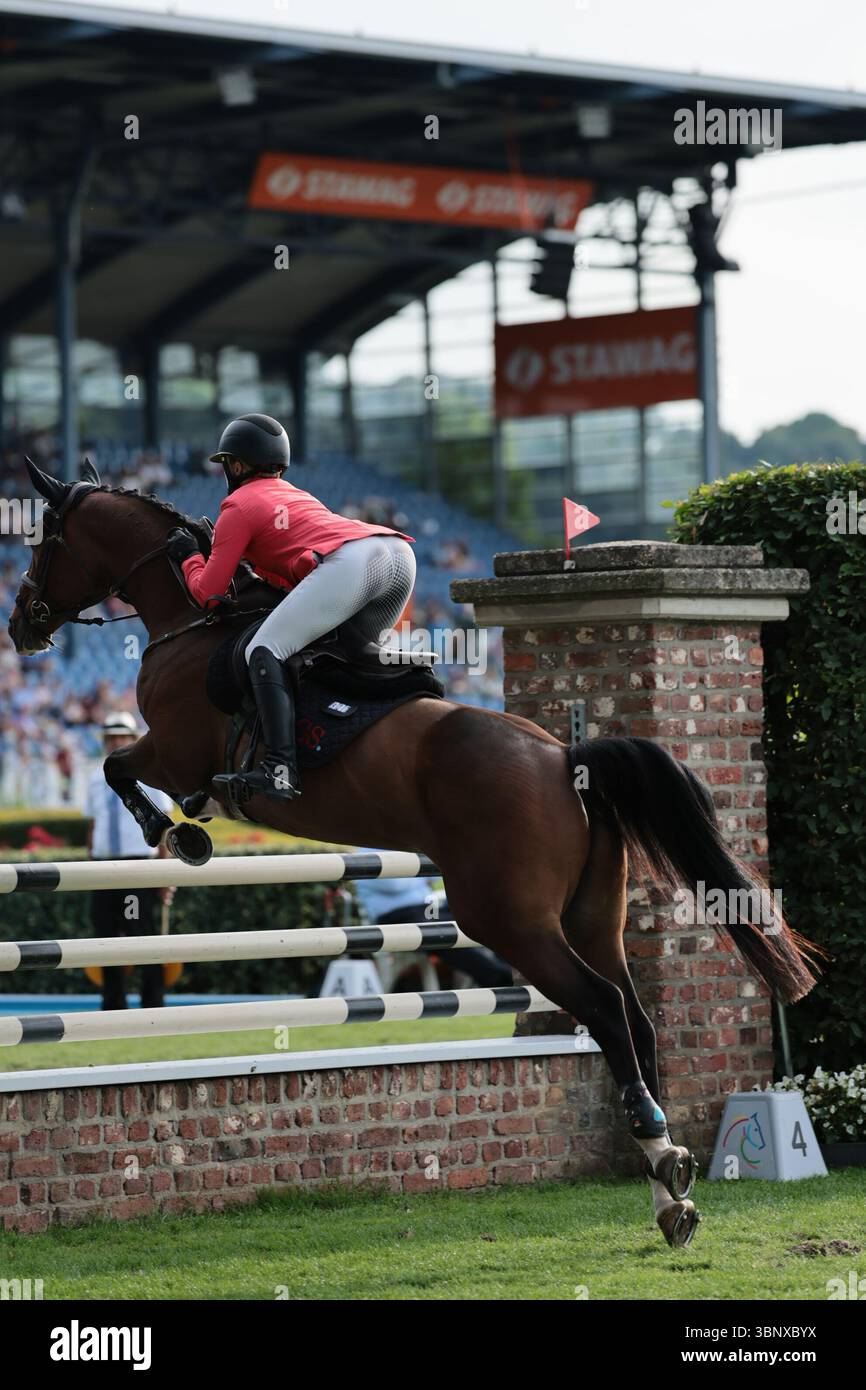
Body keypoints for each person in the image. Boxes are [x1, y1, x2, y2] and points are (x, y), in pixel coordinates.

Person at [165, 413, 415, 803]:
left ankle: (279, 768)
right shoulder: (297, 494)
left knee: (262, 651)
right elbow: (296, 577)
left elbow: (208, 595)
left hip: (353, 563)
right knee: (349, 656)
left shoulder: (237, 504)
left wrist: (188, 558)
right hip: (397, 555)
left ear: (235, 465)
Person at [85, 712, 175, 1011]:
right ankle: (113, 1003)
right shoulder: (96, 777)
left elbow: (165, 827)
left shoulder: (148, 775)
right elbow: (94, 825)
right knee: (105, 939)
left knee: (140, 935)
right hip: (101, 868)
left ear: (132, 739)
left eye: (122, 736)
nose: (116, 741)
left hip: (136, 868)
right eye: (112, 737)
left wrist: (165, 875)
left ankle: (153, 1003)